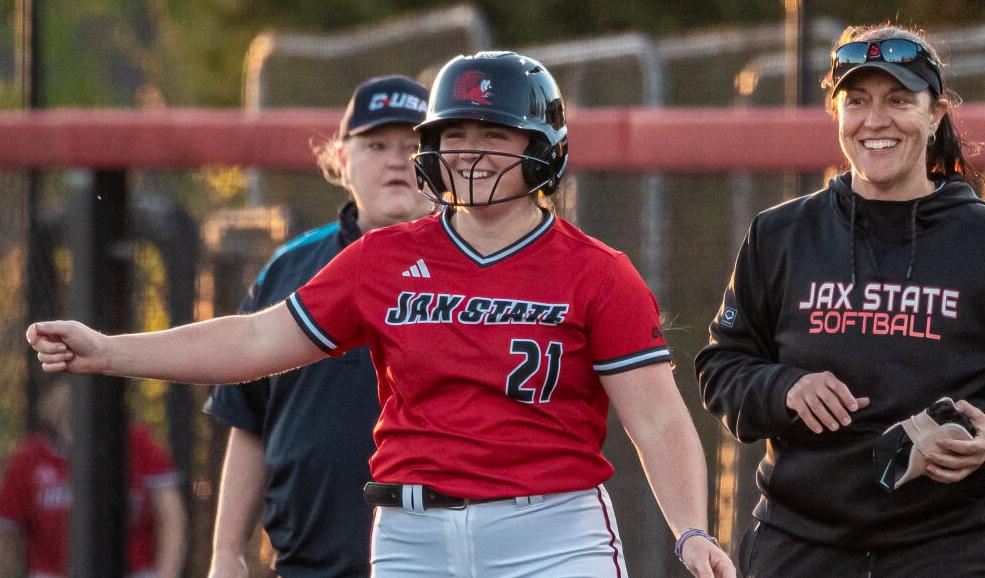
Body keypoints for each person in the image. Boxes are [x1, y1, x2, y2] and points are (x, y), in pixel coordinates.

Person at [27, 51, 735, 578]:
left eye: (494, 135)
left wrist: (690, 530)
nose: (469, 153)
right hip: (409, 534)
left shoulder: (597, 271)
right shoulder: (382, 259)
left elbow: (658, 419)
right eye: (455, 133)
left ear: (539, 148)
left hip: (548, 534)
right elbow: (254, 340)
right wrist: (110, 351)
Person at [695, 23, 985, 578]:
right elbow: (722, 365)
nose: (875, 120)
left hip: (950, 547)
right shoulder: (780, 234)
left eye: (899, 100)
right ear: (836, 114)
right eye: (856, 101)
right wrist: (785, 387)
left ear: (935, 115)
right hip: (801, 545)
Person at [204, 75, 433, 578]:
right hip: (308, 564)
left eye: (414, 144)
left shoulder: (472, 270)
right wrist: (227, 553)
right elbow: (249, 421)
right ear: (340, 159)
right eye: (375, 144)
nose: (396, 159)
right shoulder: (291, 268)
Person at [0, 379, 187, 578]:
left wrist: (166, 573)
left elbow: (170, 516)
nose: (69, 399)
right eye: (60, 388)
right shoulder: (29, 457)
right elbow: (5, 531)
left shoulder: (137, 444)